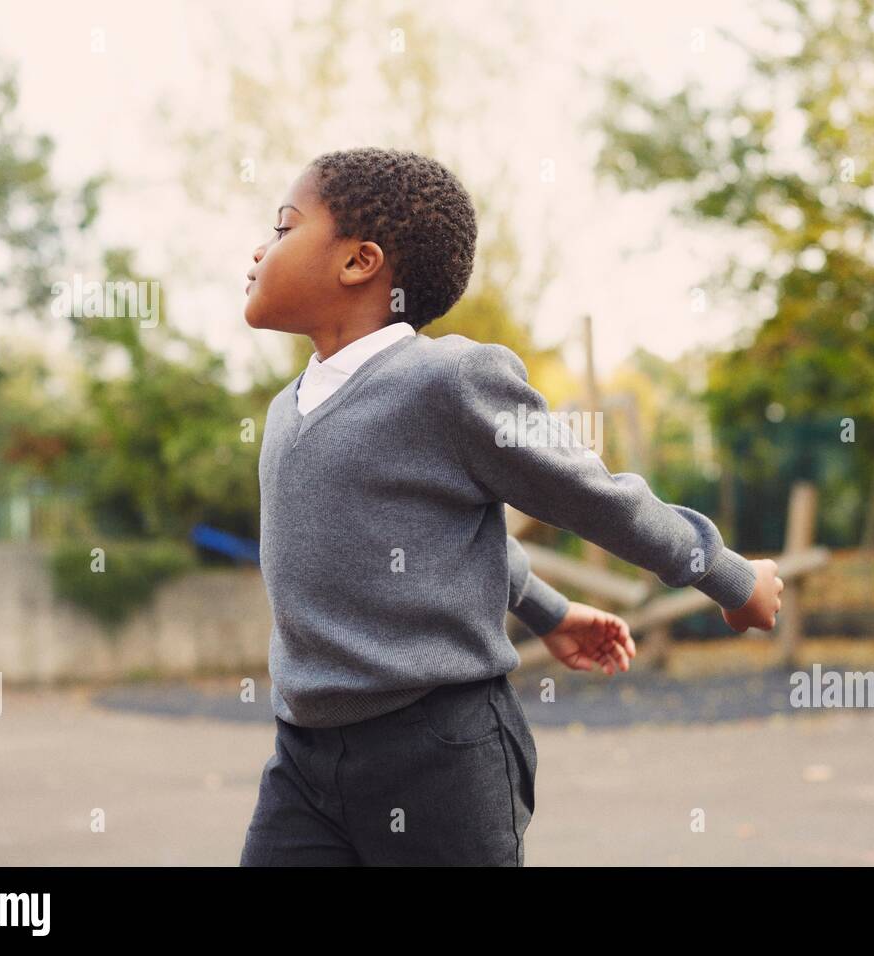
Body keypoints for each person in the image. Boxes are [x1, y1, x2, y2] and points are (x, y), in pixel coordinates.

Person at [239, 147, 783, 866]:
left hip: (437, 754)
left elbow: (590, 495)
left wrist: (729, 576)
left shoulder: (450, 381)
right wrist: (549, 611)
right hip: (302, 760)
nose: (259, 248)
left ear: (358, 262)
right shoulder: (287, 409)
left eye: (283, 227)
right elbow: (434, 534)